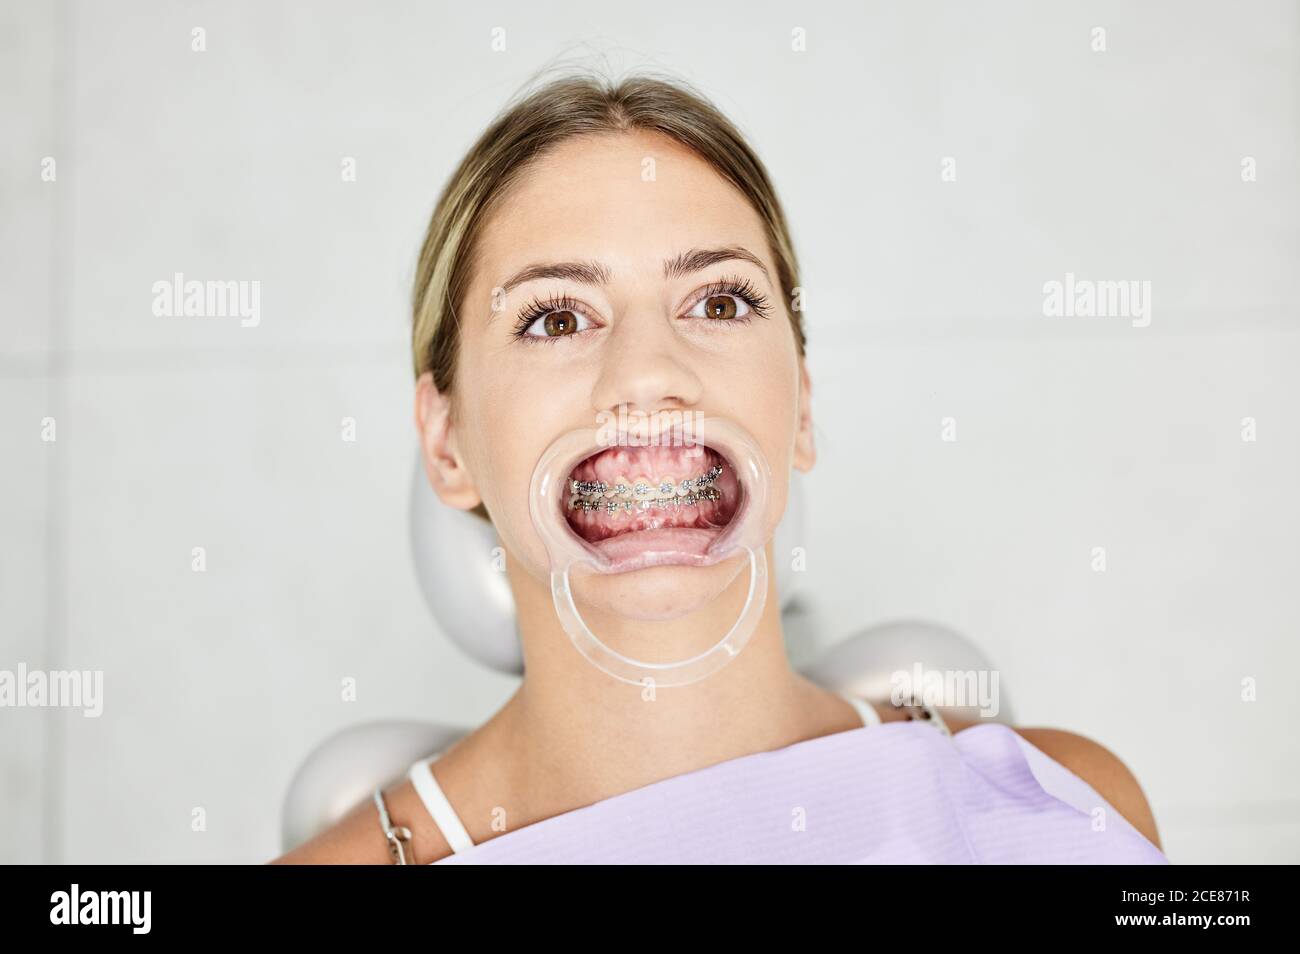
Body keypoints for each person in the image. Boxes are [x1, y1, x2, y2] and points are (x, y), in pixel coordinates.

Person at [273, 70, 1164, 865]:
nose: (648, 374)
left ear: (801, 408)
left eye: (719, 302)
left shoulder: (1076, 808)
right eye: (556, 318)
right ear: (445, 442)